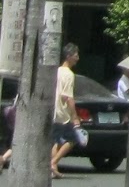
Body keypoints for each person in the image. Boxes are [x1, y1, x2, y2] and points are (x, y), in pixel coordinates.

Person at [51, 44, 80, 180]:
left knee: (57, 141)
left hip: (54, 111)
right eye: (75, 56)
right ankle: (53, 162)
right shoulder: (69, 74)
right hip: (63, 112)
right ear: (68, 57)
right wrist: (75, 116)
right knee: (72, 139)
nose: (77, 59)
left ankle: (53, 169)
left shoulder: (56, 71)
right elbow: (67, 97)